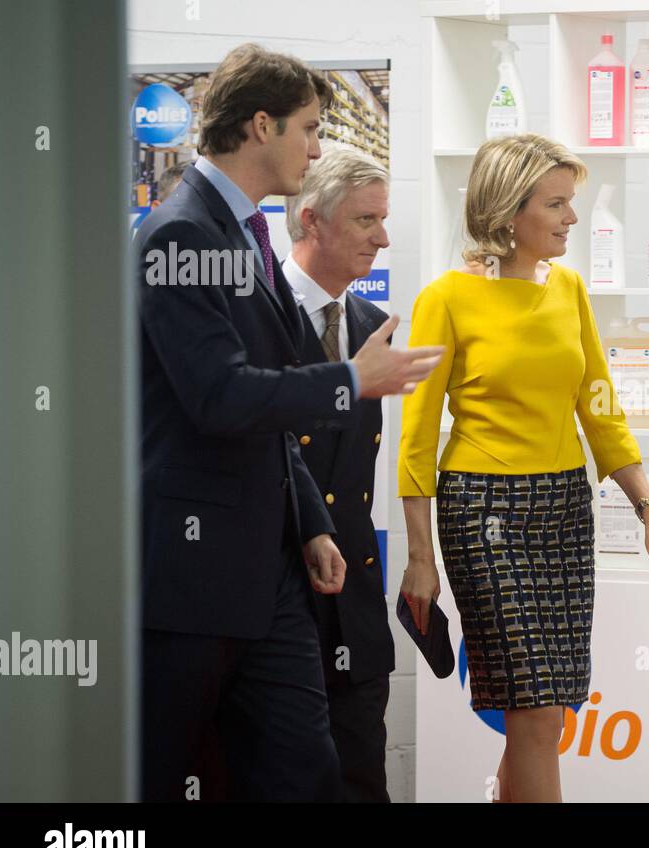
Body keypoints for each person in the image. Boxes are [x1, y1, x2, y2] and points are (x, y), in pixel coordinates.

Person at [136, 43, 441, 802]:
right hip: (191, 573)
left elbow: (267, 410)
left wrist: (310, 524)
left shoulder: (249, 235)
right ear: (261, 125)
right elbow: (222, 396)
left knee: (306, 772)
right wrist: (349, 379)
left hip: (272, 569)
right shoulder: (181, 235)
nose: (316, 145)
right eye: (308, 127)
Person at [397, 133, 649, 803]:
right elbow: (415, 441)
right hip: (483, 512)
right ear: (507, 210)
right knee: (528, 705)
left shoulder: (571, 289)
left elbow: (601, 411)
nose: (570, 219)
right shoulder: (445, 298)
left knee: (549, 710)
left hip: (563, 508)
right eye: (555, 204)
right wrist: (419, 558)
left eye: (570, 202)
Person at [281, 145, 395, 802]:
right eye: (364, 221)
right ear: (313, 219)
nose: (382, 238)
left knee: (360, 782)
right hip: (278, 598)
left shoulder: (374, 328)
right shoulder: (256, 316)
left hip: (354, 608)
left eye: (384, 220)